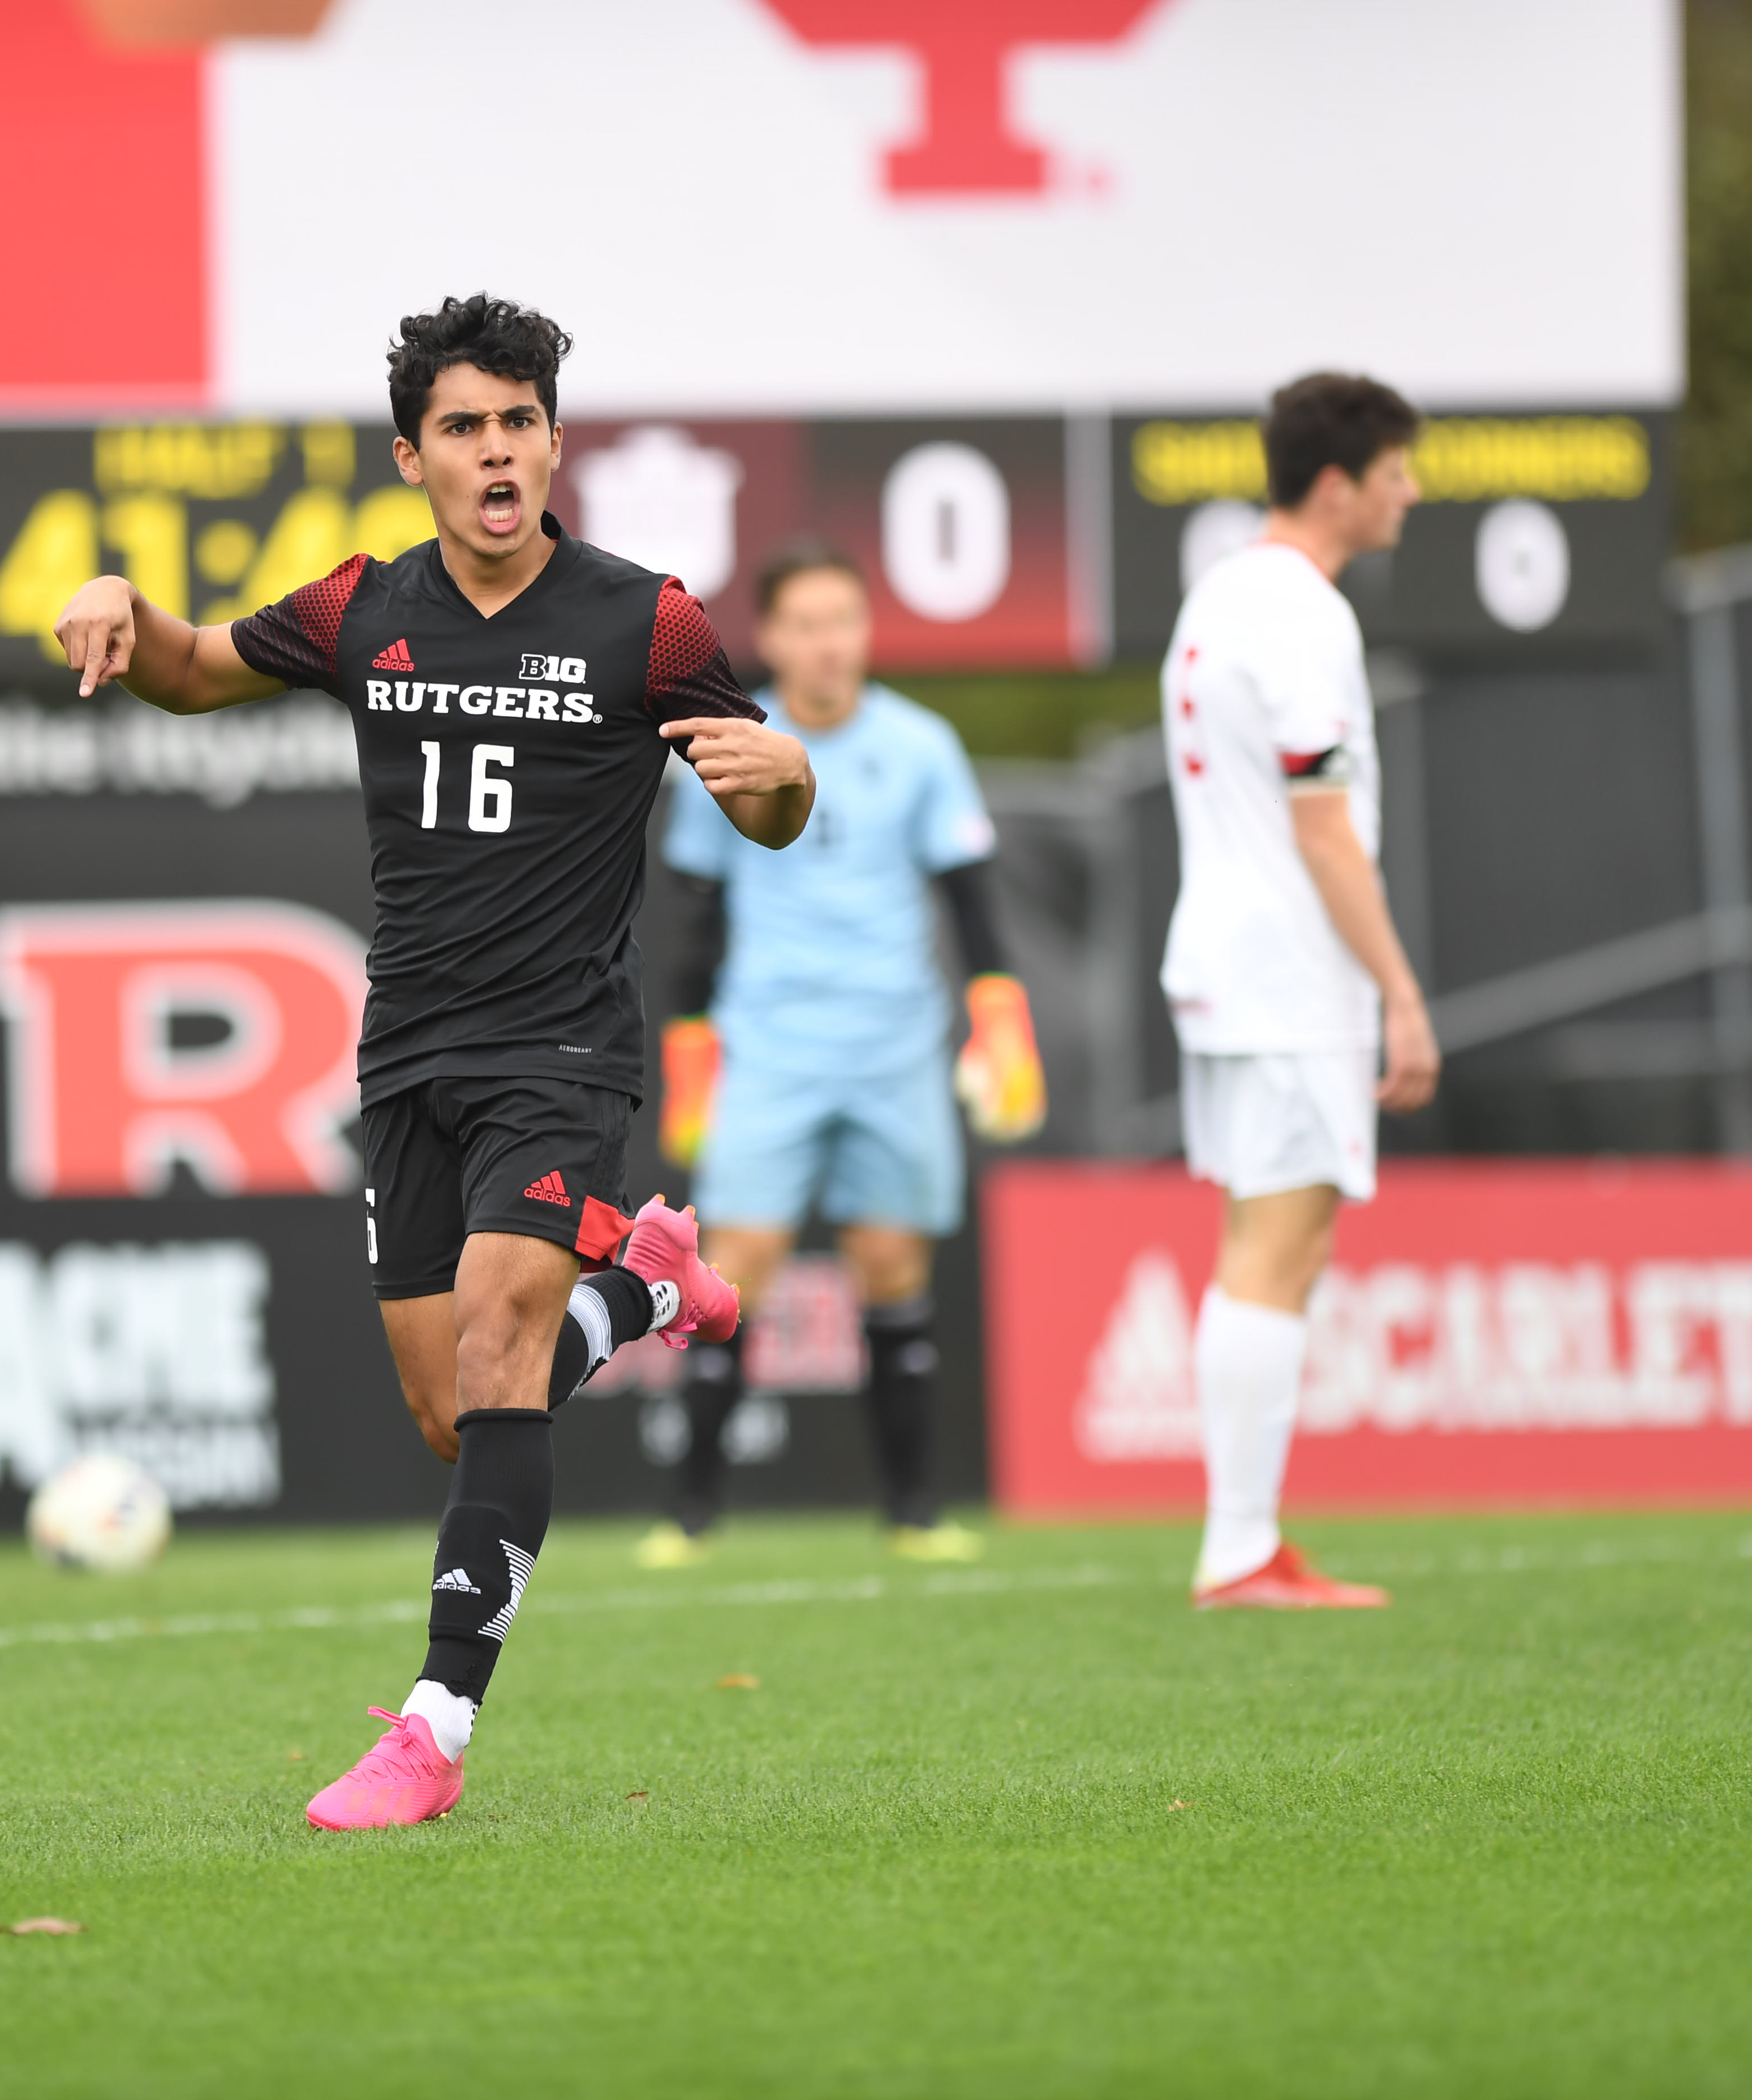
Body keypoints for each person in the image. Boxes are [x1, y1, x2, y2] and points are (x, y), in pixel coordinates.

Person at [50, 295, 814, 1828]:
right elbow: (199, 668)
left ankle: (433, 1727)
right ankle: (653, 1288)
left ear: (552, 442)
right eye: (464, 427)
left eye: (520, 422)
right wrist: (124, 611)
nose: (497, 452)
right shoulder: (361, 608)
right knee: (457, 1413)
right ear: (415, 456)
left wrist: (791, 777)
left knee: (498, 1342)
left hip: (565, 1050)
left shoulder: (644, 619)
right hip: (409, 1053)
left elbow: (765, 803)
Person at [641, 540, 1044, 1568]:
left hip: (896, 1047)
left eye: (846, 621)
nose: (830, 644)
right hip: (768, 1045)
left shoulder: (921, 745)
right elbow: (696, 910)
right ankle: (690, 1520)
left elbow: (969, 895)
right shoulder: (725, 747)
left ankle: (911, 1513)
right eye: (807, 624)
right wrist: (690, 1042)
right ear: (771, 638)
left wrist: (999, 1013)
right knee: (735, 1274)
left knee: (892, 1268)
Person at [1159, 371, 1440, 1610]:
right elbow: (1326, 830)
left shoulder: (1222, 590)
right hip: (1287, 975)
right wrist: (1403, 992)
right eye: (1397, 473)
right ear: (1340, 484)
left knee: (1259, 1248)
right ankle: (1240, 1547)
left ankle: (1244, 1540)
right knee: (1282, 1245)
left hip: (1227, 963)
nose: (1412, 493)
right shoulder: (1303, 611)